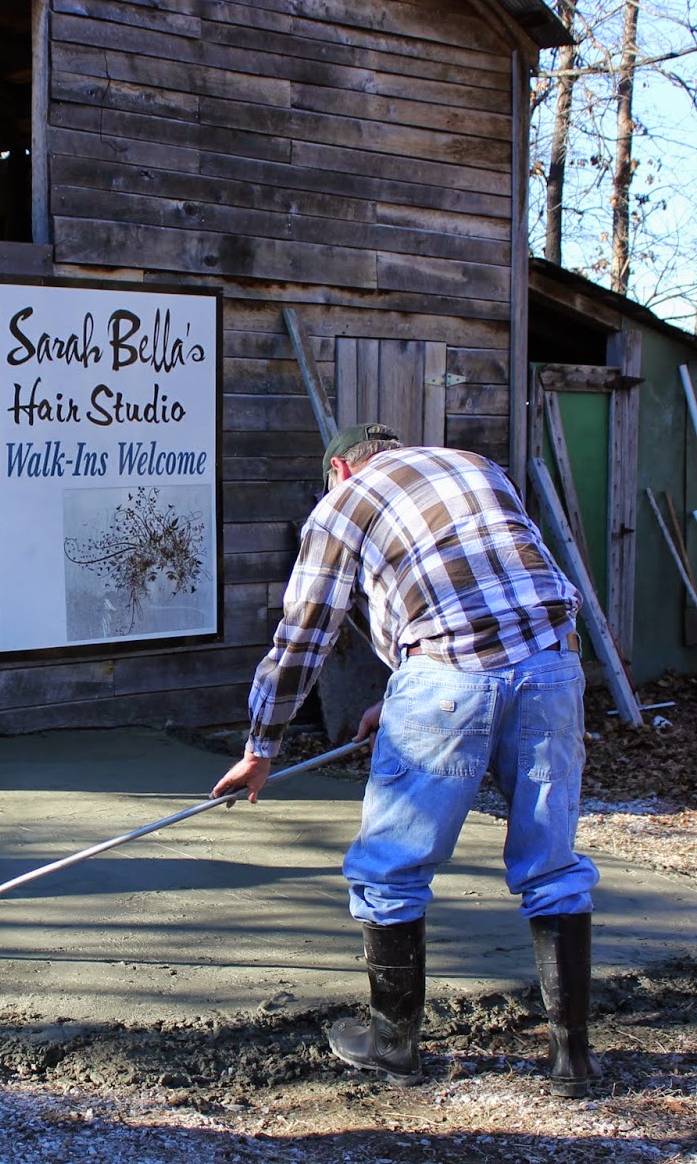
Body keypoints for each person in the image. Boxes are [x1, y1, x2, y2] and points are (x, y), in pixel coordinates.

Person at [210, 423, 599, 1097]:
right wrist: (398, 700)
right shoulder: (477, 468)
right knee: (554, 865)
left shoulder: (344, 504)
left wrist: (260, 747)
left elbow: (303, 634)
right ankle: (575, 1062)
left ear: (339, 467)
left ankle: (393, 1046)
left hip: (449, 678)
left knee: (391, 865)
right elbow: (490, 593)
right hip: (554, 667)